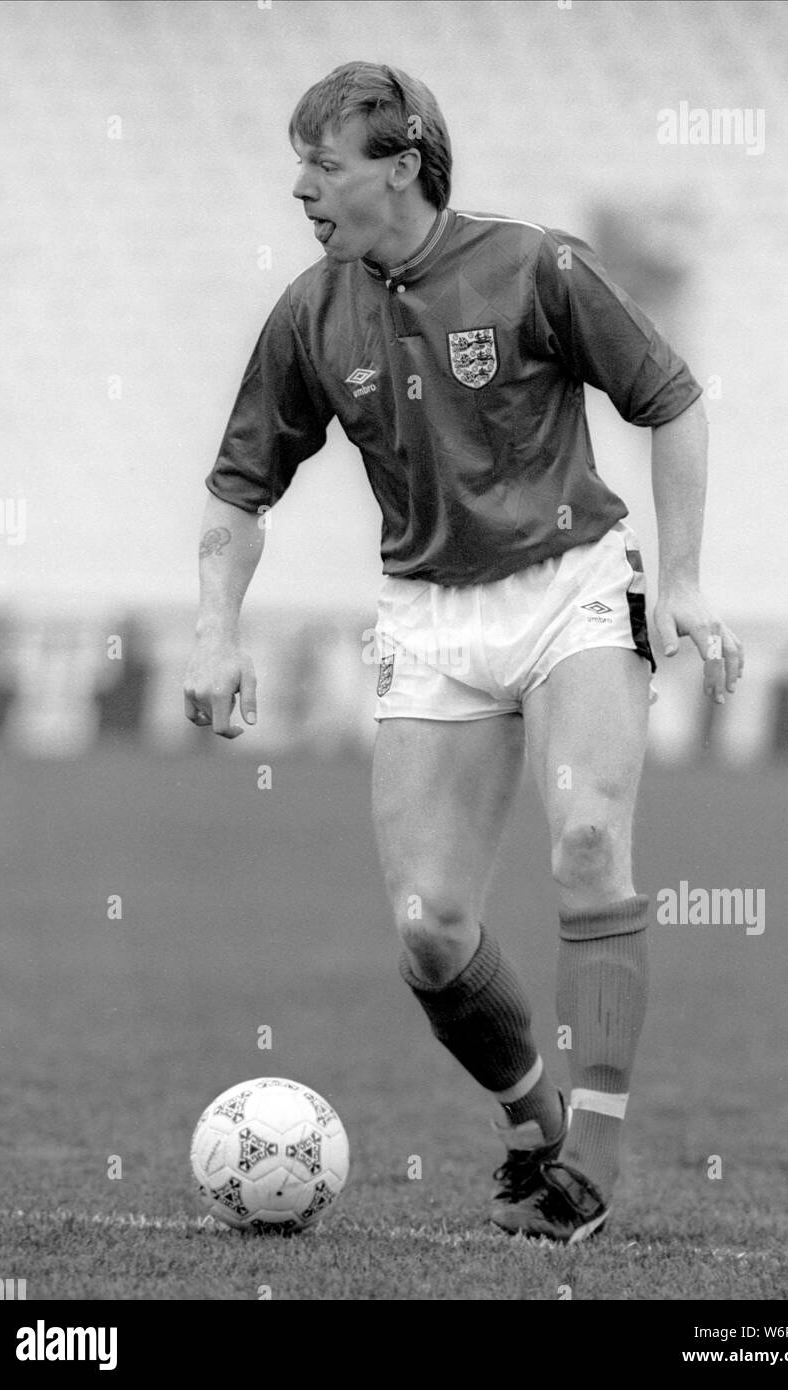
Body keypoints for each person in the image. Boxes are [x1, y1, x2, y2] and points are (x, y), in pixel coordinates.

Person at [183, 61, 743, 1244]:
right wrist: (215, 629)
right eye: (301, 166)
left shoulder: (536, 264)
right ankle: (535, 1124)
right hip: (430, 617)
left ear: (404, 165)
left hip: (572, 584)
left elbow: (673, 401)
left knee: (589, 837)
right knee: (432, 926)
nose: (302, 188)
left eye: (322, 165)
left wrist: (682, 580)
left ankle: (595, 1160)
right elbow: (239, 489)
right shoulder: (310, 311)